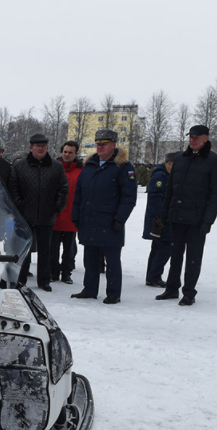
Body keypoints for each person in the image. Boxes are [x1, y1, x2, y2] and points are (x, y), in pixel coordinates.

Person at [154, 125, 217, 306]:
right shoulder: (180, 159)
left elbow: (216, 194)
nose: (192, 140)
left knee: (193, 258)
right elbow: (171, 190)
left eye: (196, 137)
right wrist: (165, 215)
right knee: (175, 255)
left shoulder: (214, 161)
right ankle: (171, 289)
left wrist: (207, 220)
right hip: (177, 216)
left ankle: (189, 292)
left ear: (206, 138)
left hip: (197, 219)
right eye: (190, 136)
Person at [70, 129, 137, 304]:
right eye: (98, 144)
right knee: (90, 258)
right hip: (89, 219)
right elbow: (79, 193)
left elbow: (129, 197)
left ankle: (114, 292)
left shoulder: (123, 167)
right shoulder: (90, 165)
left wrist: (119, 219)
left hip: (110, 221)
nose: (99, 147)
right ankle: (90, 289)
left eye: (104, 144)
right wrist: (76, 215)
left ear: (113, 145)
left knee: (112, 260)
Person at [8, 133, 69, 291]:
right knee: (24, 250)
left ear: (47, 147)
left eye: (43, 146)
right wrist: (20, 206)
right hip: (25, 216)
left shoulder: (56, 166)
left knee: (45, 250)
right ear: (31, 148)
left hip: (47, 216)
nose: (40, 148)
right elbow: (13, 189)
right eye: (37, 146)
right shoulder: (20, 167)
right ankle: (21, 279)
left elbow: (63, 188)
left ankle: (44, 280)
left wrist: (56, 207)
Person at [142, 153, 176, 287]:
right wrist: (162, 217)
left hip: (161, 218)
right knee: (164, 247)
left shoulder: (166, 174)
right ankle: (154, 276)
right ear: (170, 163)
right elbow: (155, 198)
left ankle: (152, 276)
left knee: (159, 247)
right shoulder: (161, 176)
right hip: (161, 220)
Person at [51, 140, 81, 284]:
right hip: (55, 216)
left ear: (76, 154)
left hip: (71, 216)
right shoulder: (53, 168)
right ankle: (53, 272)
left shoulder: (81, 172)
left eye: (70, 152)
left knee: (69, 249)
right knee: (53, 248)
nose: (67, 155)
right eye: (65, 152)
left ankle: (66, 273)